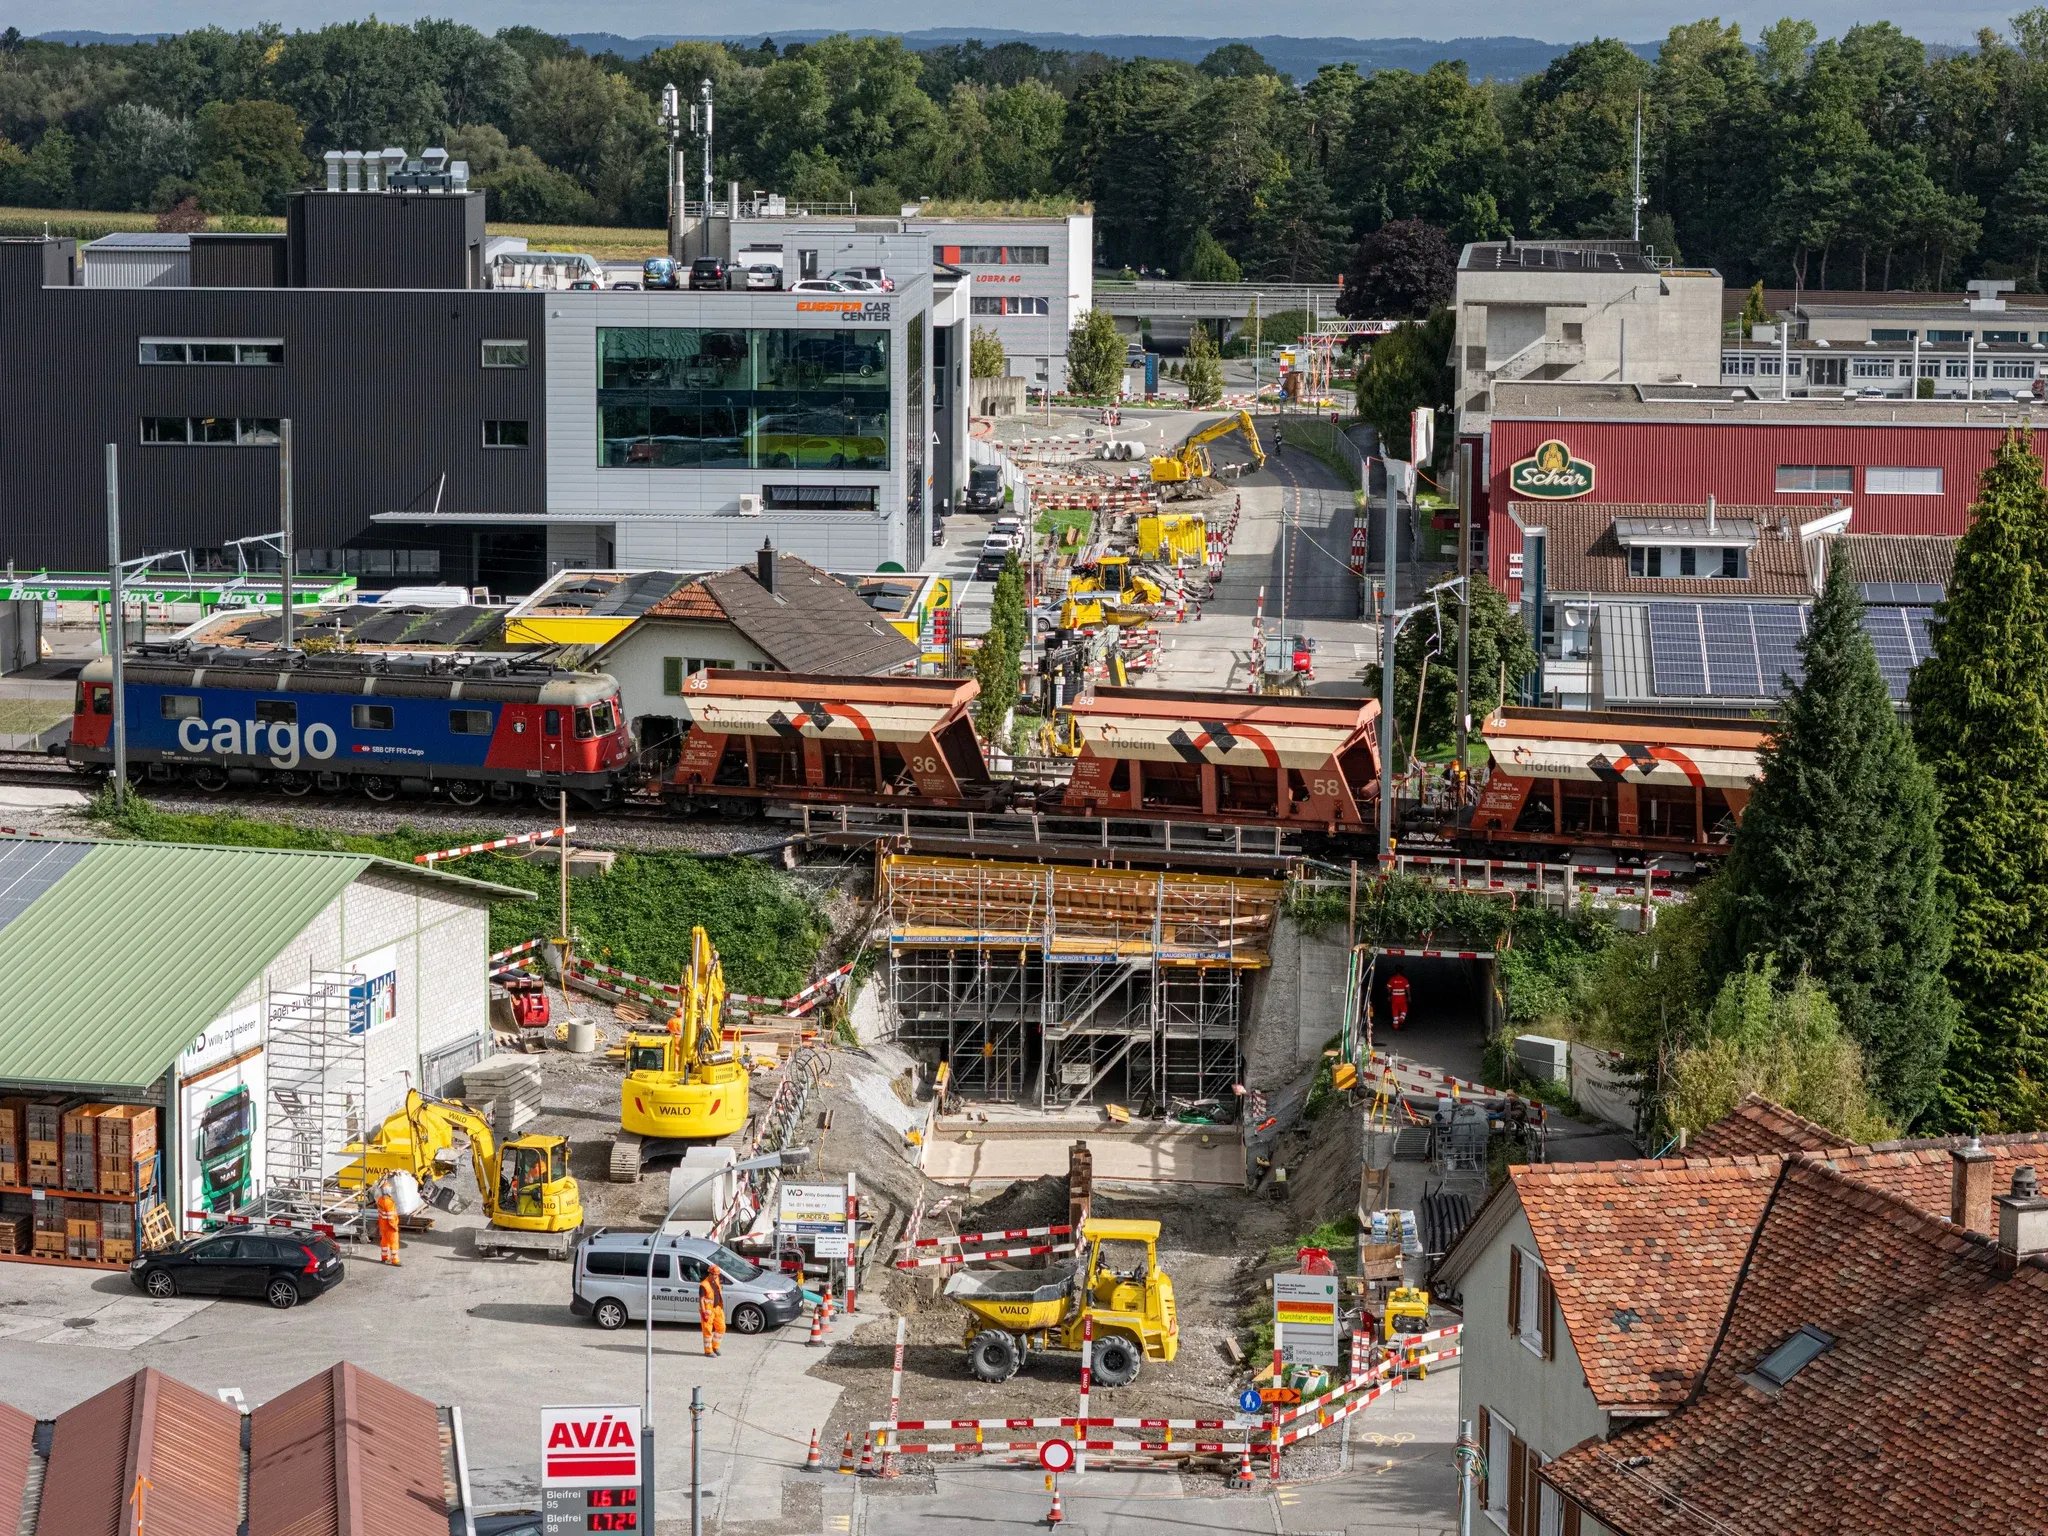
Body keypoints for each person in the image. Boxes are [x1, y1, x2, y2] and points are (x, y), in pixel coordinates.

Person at [698, 1261, 726, 1357]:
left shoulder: (716, 1279)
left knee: (721, 1327)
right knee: (708, 1331)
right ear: (709, 1273)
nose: (715, 1276)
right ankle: (708, 1351)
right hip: (708, 1311)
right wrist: (704, 1311)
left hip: (717, 1308)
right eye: (714, 1274)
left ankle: (715, 1346)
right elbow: (701, 1300)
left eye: (717, 1274)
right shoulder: (703, 1285)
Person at [375, 1180, 400, 1266]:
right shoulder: (389, 1202)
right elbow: (391, 1217)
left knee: (384, 1242)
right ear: (386, 1190)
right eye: (389, 1188)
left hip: (383, 1225)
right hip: (390, 1227)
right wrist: (394, 1226)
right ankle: (395, 1260)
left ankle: (384, 1258)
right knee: (394, 1243)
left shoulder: (380, 1200)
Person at [1387, 969, 1410, 1034]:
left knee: (1395, 1011)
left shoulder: (1392, 979)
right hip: (1402, 998)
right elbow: (1407, 989)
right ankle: (1401, 1020)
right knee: (1404, 1009)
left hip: (1394, 998)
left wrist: (1389, 996)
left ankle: (1395, 1026)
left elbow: (1388, 988)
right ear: (1402, 972)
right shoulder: (1404, 979)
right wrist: (1409, 996)